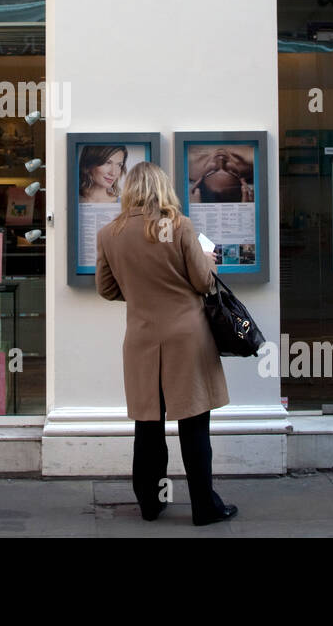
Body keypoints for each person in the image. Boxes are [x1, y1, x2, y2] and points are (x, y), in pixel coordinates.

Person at [96, 161, 237, 526]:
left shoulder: (110, 233)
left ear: (129, 191)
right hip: (186, 338)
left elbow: (107, 289)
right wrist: (208, 261)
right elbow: (205, 283)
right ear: (163, 189)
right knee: (193, 424)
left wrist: (142, 292)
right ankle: (204, 507)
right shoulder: (178, 226)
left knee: (147, 424)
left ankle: (150, 504)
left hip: (141, 339)